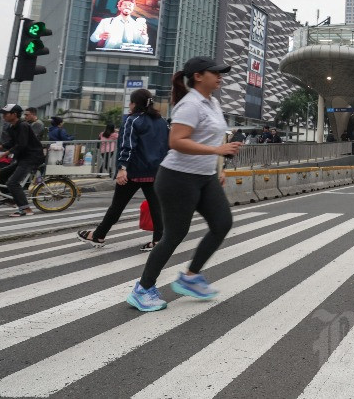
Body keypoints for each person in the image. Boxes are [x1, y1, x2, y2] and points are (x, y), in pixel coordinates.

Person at [126, 57, 241, 312]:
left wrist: (219, 164)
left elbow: (213, 139)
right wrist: (216, 149)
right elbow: (176, 141)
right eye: (216, 73)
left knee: (222, 223)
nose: (220, 77)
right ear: (198, 76)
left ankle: (190, 277)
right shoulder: (190, 104)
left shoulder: (212, 102)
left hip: (204, 176)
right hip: (177, 177)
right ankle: (143, 289)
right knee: (174, 235)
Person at [79, 89, 168, 251]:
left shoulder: (132, 120)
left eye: (131, 102)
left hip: (133, 172)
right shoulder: (162, 121)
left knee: (117, 206)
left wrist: (122, 168)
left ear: (134, 104)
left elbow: (127, 146)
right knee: (156, 206)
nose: (129, 105)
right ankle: (158, 240)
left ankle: (98, 235)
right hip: (155, 171)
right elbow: (165, 146)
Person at [0, 104, 43, 217]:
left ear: (14, 114)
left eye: (6, 113)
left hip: (31, 157)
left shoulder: (23, 125)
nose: (3, 116)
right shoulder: (12, 127)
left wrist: (3, 154)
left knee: (13, 182)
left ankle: (26, 209)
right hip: (22, 157)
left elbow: (21, 145)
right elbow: (11, 143)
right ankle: (13, 199)